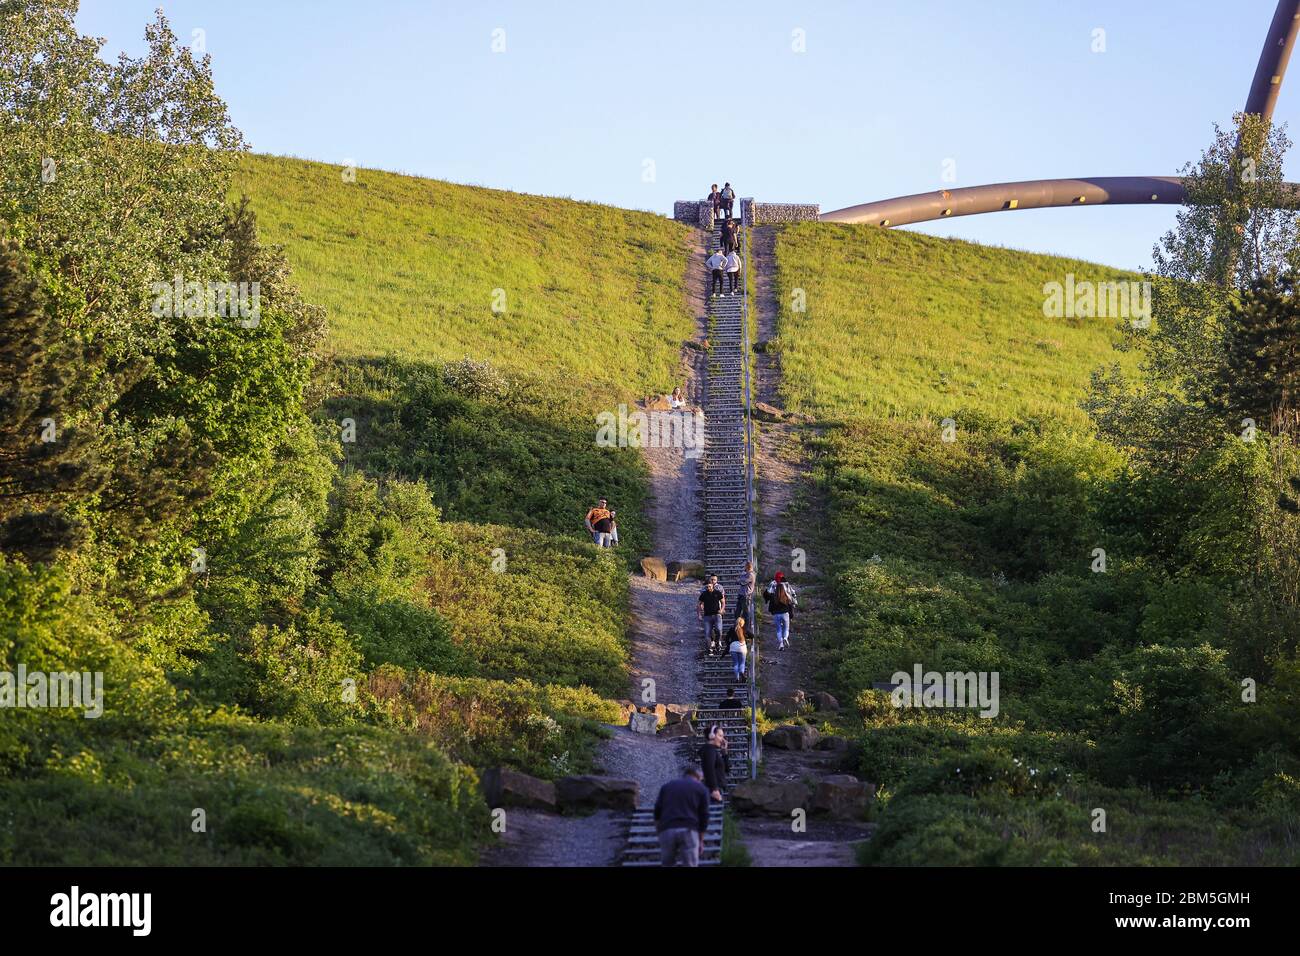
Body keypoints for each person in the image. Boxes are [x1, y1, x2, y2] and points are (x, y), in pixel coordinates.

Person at [654, 766, 711, 867]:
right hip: (689, 829)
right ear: (698, 776)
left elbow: (657, 811)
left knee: (667, 864)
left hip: (667, 829)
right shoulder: (701, 788)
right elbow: (704, 815)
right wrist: (701, 840)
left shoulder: (667, 786)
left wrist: (660, 831)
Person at [763, 570, 798, 650]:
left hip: (776, 613)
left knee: (778, 629)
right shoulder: (787, 585)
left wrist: (766, 600)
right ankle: (785, 637)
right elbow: (792, 595)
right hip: (785, 612)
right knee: (786, 628)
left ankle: (781, 644)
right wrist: (794, 604)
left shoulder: (773, 585)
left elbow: (766, 594)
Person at [697, 575, 726, 655]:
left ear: (713, 586)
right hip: (707, 616)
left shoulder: (718, 592)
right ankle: (710, 648)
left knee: (719, 630)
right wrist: (699, 614)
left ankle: (717, 643)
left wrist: (722, 609)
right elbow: (699, 604)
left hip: (717, 615)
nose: (708, 587)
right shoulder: (704, 594)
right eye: (707, 586)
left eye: (710, 586)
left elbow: (723, 601)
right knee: (707, 633)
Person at [700, 724, 727, 801]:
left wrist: (725, 753)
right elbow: (709, 769)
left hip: (716, 789)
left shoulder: (713, 751)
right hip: (713, 792)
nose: (722, 739)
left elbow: (727, 769)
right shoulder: (709, 751)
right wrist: (714, 789)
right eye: (720, 736)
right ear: (712, 736)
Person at [728, 614, 748, 682]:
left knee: (736, 663)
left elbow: (727, 638)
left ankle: (737, 678)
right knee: (742, 663)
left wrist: (729, 643)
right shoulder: (744, 629)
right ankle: (742, 672)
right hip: (742, 647)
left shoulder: (732, 629)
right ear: (742, 623)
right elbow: (752, 635)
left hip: (733, 647)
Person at [736, 560, 756, 625]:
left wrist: (740, 580)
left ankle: (747, 628)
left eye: (745, 566)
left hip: (746, 595)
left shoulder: (751, 574)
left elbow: (742, 582)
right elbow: (739, 580)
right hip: (741, 595)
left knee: (746, 613)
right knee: (737, 612)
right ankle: (738, 626)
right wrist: (740, 579)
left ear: (747, 567)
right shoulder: (745, 574)